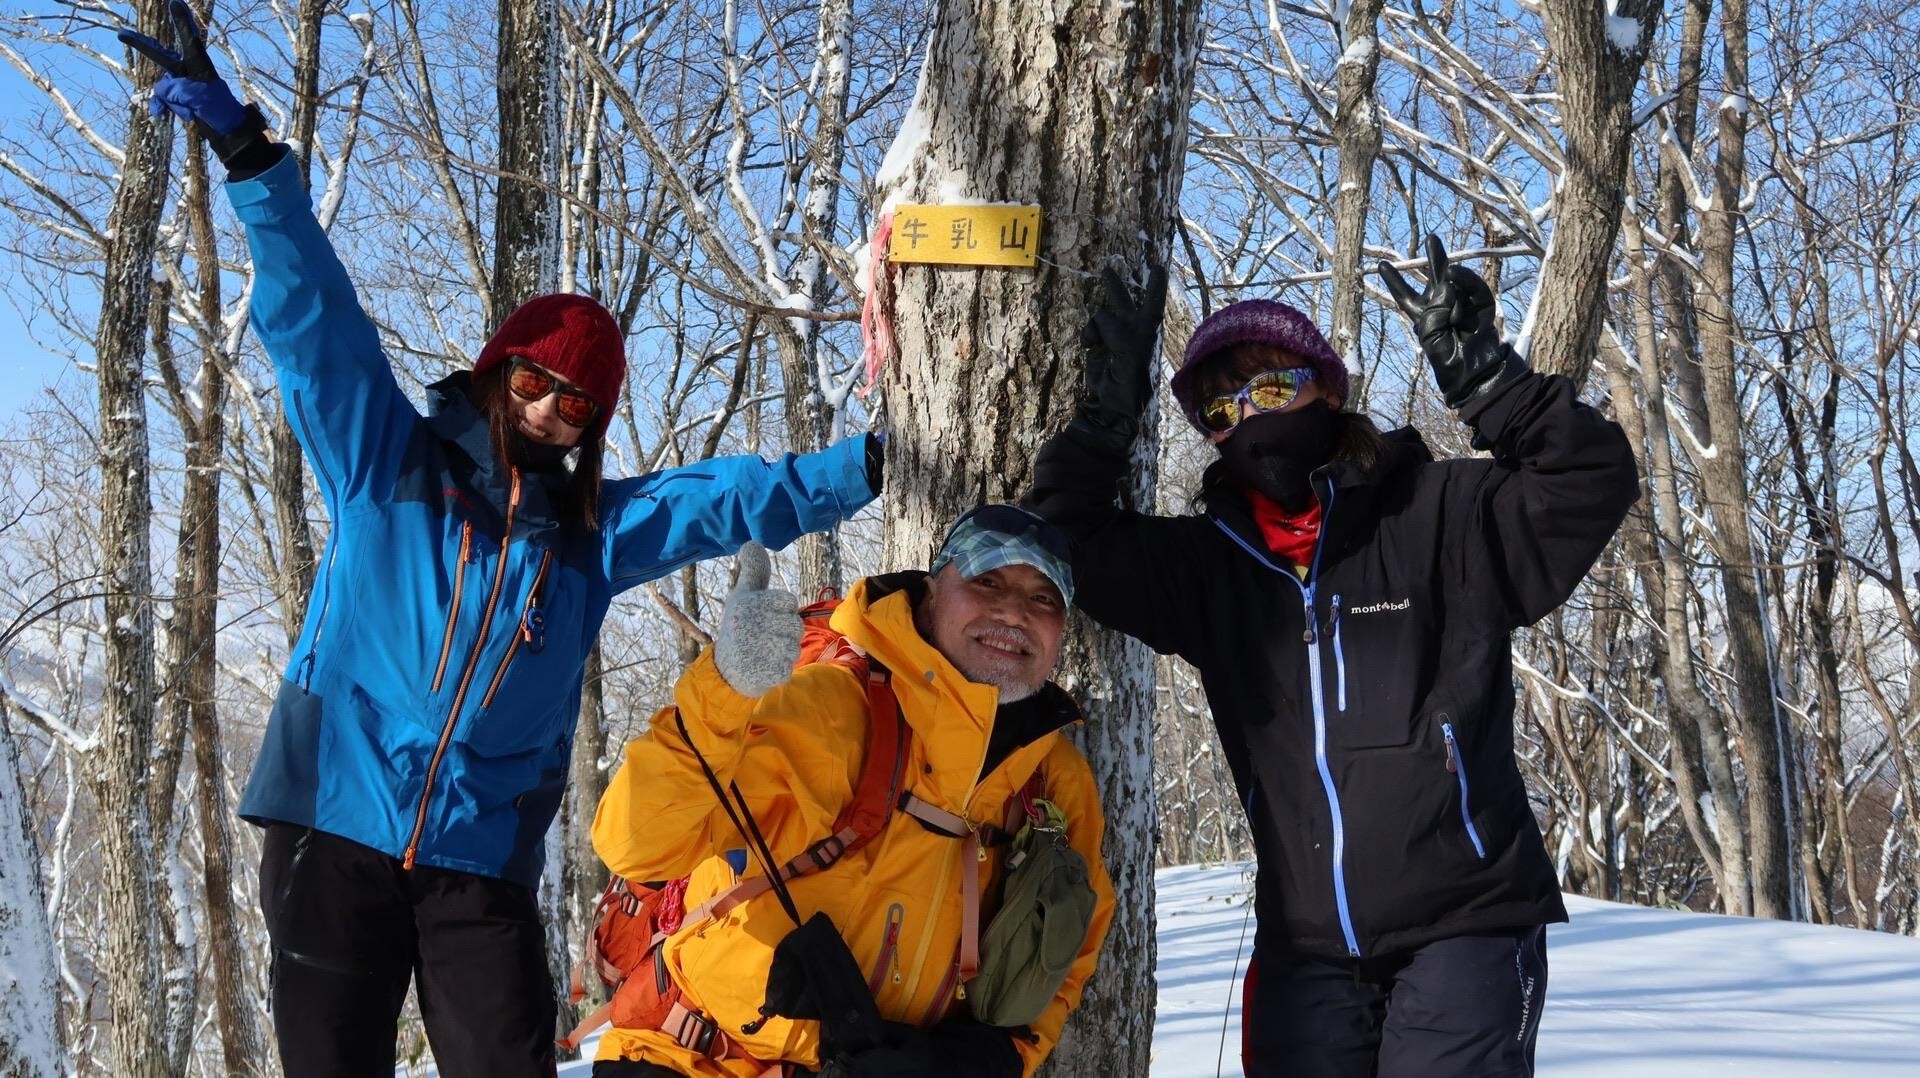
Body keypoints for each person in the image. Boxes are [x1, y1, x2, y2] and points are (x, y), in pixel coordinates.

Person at [119, 6, 883, 1074]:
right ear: (494, 374)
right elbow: (315, 322)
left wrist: (864, 469)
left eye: (577, 404)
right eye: (533, 381)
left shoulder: (590, 537)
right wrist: (253, 159)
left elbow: (725, 498)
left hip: (479, 857)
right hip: (332, 824)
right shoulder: (388, 457)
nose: (548, 412)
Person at [1025, 240, 1639, 1077]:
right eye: (1219, 412)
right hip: (1306, 947)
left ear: (1329, 391)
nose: (1249, 420)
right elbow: (1063, 538)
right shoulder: (1211, 571)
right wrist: (1103, 421)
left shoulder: (1439, 516)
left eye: (1272, 388)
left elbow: (1589, 478)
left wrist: (1491, 383)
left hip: (1467, 924)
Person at [589, 506, 1115, 1077]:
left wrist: (985, 1061)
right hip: (695, 1061)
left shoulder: (1055, 781)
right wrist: (723, 693)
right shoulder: (834, 709)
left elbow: (1069, 953)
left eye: (1044, 599)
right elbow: (636, 844)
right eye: (986, 580)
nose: (1013, 611)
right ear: (935, 590)